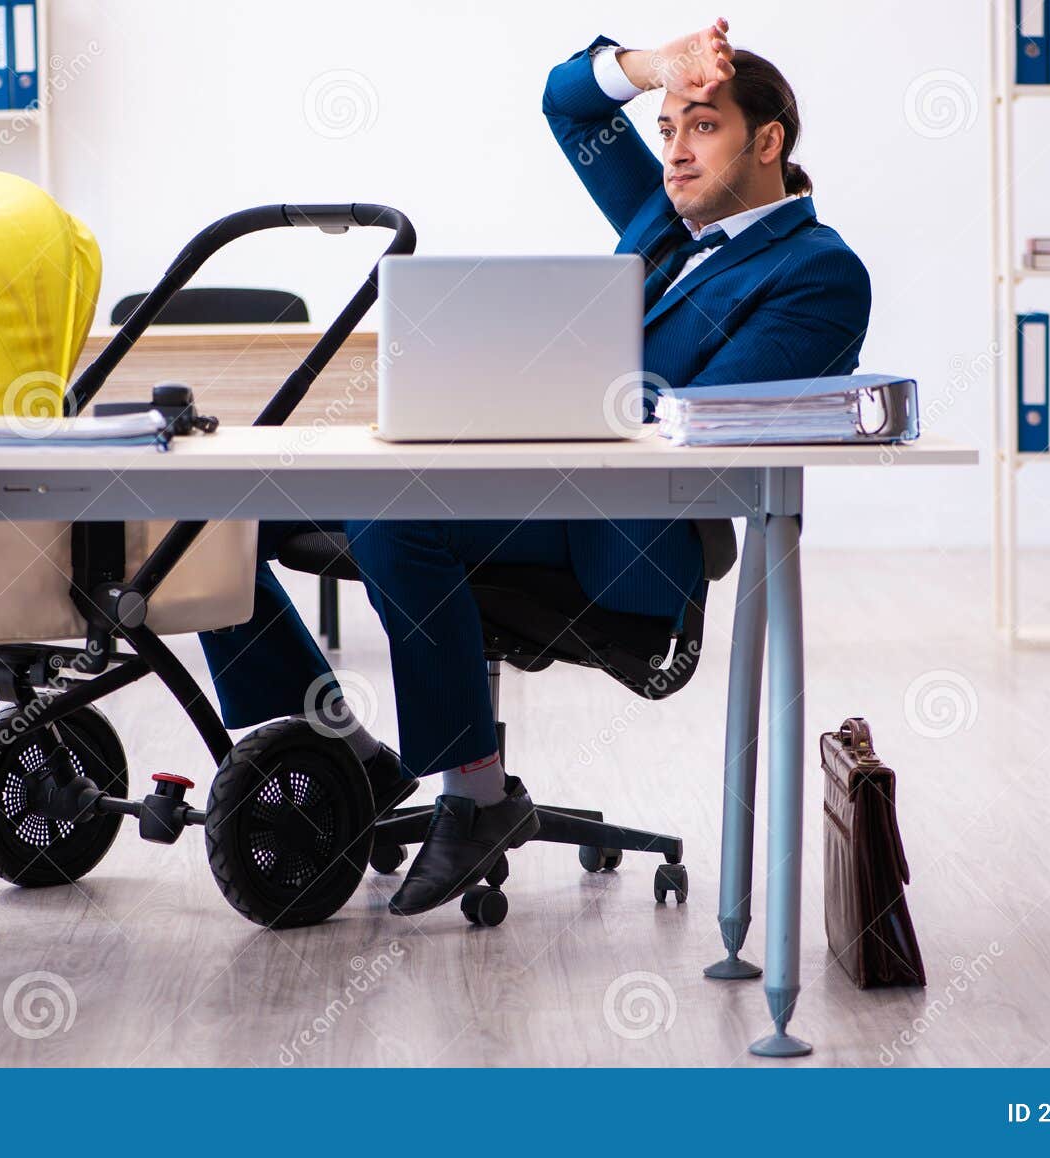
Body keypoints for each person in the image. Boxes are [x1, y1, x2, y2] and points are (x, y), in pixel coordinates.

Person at [201, 19, 871, 918]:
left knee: (392, 511)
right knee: (219, 508)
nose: (673, 149)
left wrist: (518, 402)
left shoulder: (819, 273)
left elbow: (696, 425)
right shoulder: (666, 214)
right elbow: (567, 99)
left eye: (700, 125)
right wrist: (653, 69)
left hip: (629, 537)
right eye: (667, 126)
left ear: (769, 142)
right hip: (525, 481)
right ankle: (343, 744)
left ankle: (477, 797)